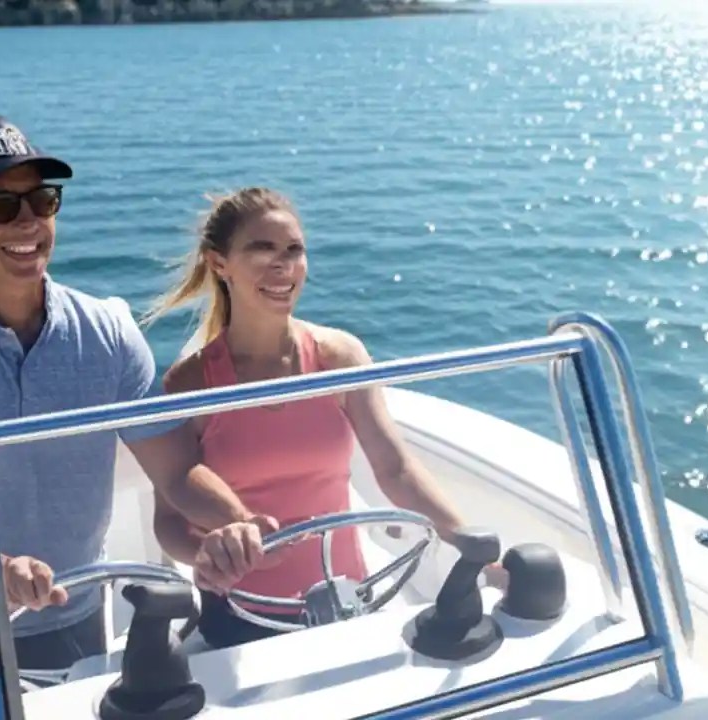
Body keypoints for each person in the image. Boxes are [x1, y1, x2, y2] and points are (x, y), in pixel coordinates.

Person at [0, 116, 265, 685]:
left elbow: (175, 468)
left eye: (42, 200)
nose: (28, 221)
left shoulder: (109, 332)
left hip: (74, 606)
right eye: (0, 205)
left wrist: (236, 523)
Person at [142, 187, 478, 649]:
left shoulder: (340, 357)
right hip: (240, 619)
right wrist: (208, 556)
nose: (283, 265)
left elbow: (394, 469)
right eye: (262, 249)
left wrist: (467, 538)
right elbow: (169, 520)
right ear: (220, 264)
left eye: (293, 250)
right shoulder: (191, 383)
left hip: (350, 604)